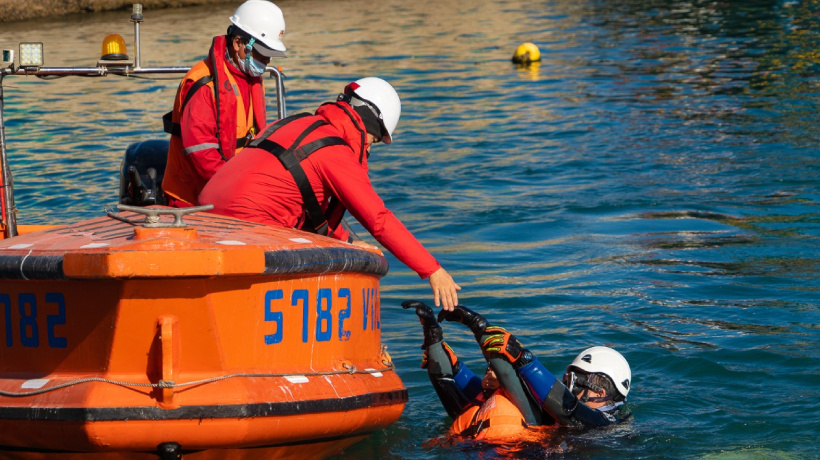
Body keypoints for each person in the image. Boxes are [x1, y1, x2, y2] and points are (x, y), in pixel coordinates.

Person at [199, 77, 461, 309]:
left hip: (203, 216)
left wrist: (344, 242)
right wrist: (432, 270)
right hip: (248, 227)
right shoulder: (335, 151)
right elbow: (378, 219)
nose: (369, 150)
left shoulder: (296, 122)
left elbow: (303, 204)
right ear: (368, 121)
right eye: (374, 140)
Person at [403, 300, 631, 441]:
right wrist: (437, 341)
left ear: (600, 393)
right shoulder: (554, 418)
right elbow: (472, 387)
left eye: (574, 381)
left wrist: (524, 359)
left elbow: (568, 410)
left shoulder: (606, 426)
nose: (567, 386)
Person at [163, 0, 287, 207]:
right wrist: (240, 188)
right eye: (262, 54)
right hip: (192, 200)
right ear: (238, 43)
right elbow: (201, 152)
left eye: (269, 56)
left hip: (234, 187)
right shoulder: (205, 84)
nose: (267, 62)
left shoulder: (249, 76)